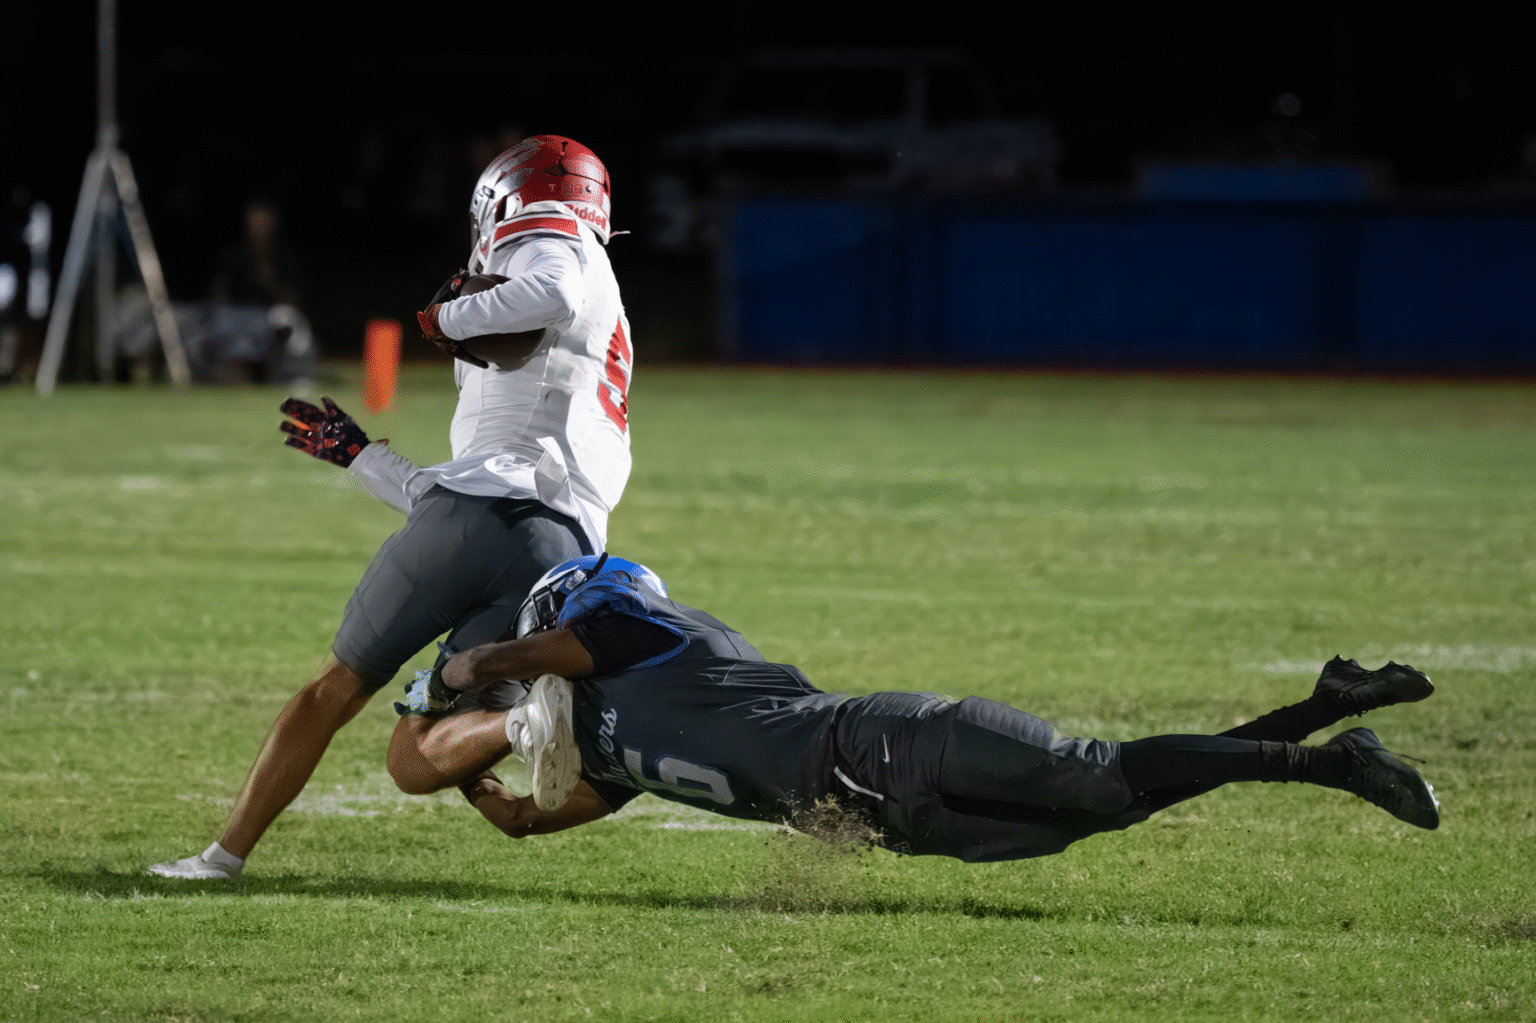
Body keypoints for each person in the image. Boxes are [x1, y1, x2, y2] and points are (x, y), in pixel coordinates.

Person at [149, 136, 634, 879]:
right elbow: (484, 477)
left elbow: (551, 294)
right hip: (559, 550)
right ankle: (524, 721)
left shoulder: (555, 242)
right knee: (414, 756)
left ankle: (221, 858)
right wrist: (361, 454)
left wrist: (444, 321)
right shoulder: (603, 314)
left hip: (476, 520)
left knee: (334, 688)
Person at [387, 556, 1439, 862]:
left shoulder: (641, 633)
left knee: (1098, 770)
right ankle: (1322, 707)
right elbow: (533, 819)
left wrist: (470, 670)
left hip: (884, 742)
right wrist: (491, 783)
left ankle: (1340, 760)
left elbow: (535, 654)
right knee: (1115, 806)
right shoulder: (598, 748)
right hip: (887, 822)